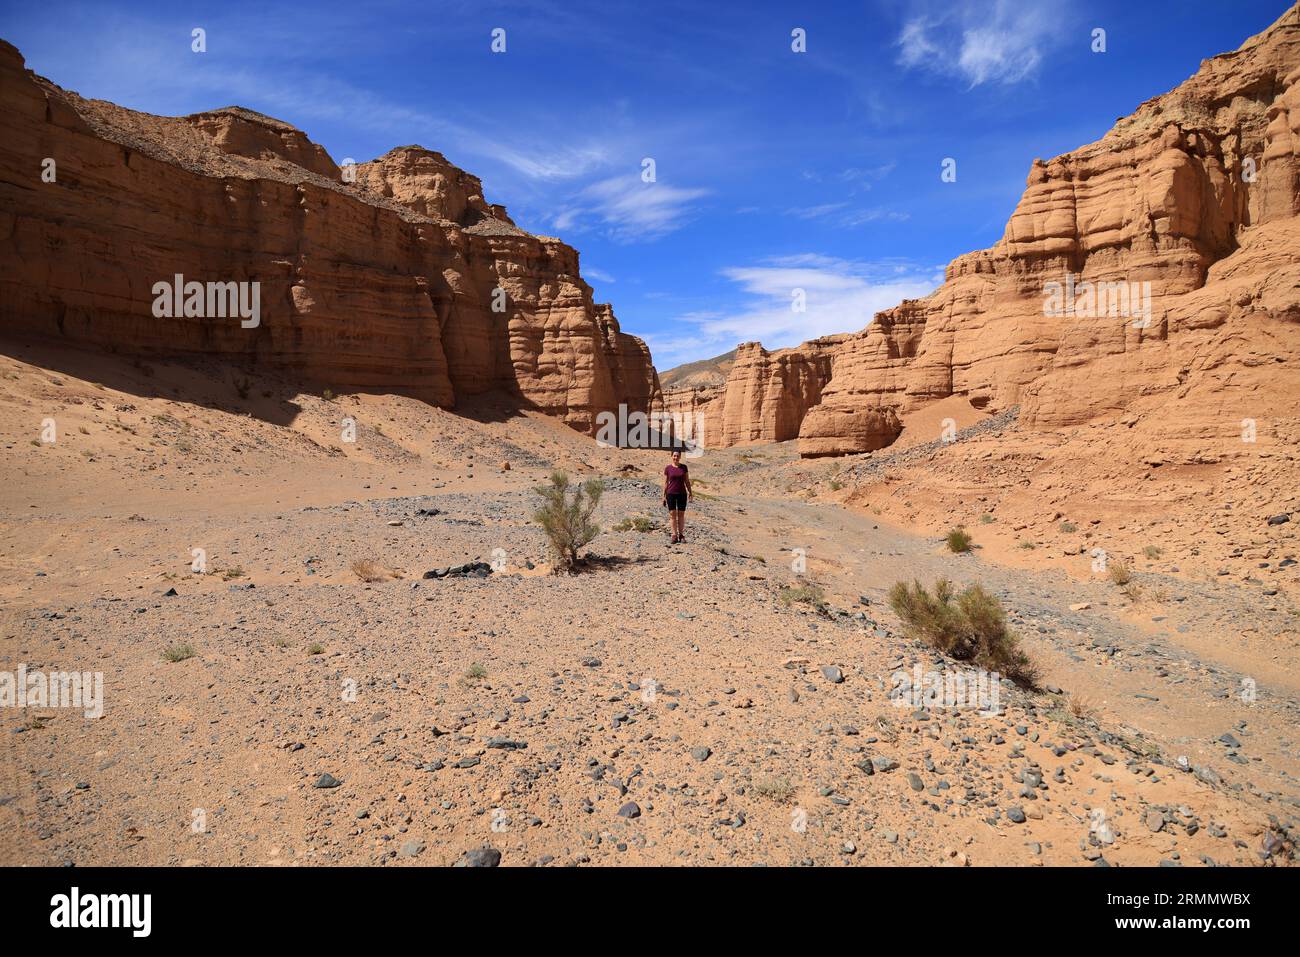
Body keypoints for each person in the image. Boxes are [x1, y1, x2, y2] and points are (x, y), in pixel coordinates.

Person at [662, 449, 693, 544]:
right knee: (672, 514)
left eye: (678, 456)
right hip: (670, 493)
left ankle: (681, 535)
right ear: (672, 456)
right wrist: (663, 496)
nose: (676, 457)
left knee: (681, 514)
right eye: (674, 455)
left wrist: (690, 492)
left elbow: (687, 481)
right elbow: (666, 482)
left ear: (680, 457)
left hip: (682, 494)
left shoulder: (684, 467)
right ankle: (674, 535)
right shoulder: (668, 468)